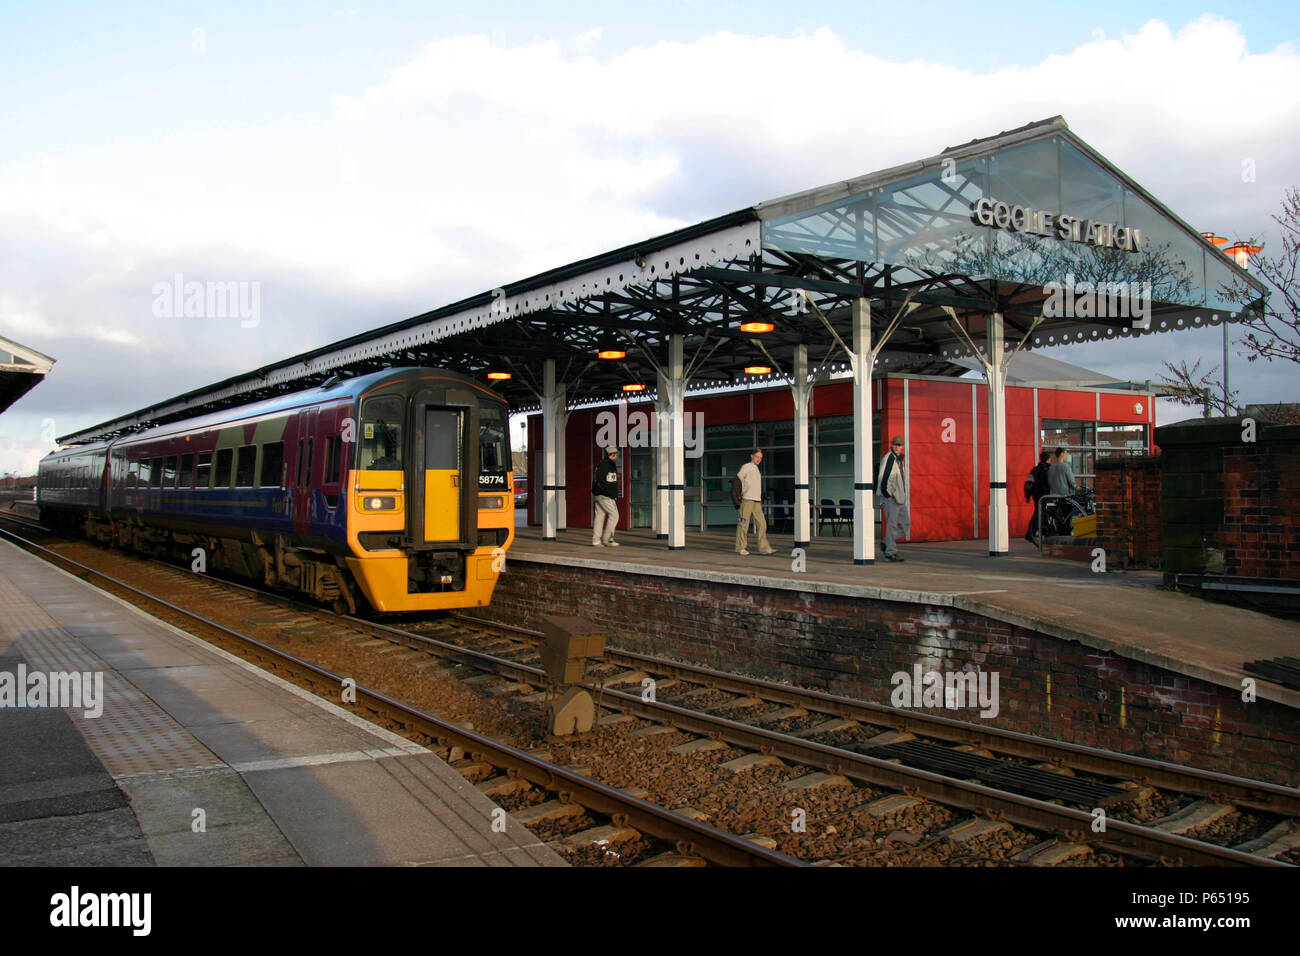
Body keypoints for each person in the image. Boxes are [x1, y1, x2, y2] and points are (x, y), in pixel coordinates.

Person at [735, 448, 775, 556]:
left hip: (757, 501)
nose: (759, 459)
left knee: (762, 524)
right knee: (744, 524)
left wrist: (762, 495)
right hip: (747, 500)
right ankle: (740, 547)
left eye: (760, 458)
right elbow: (737, 481)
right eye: (757, 457)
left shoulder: (757, 469)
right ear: (751, 456)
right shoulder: (746, 467)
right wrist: (737, 498)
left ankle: (763, 547)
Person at [876, 436, 909, 562]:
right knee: (891, 524)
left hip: (900, 498)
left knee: (905, 524)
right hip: (891, 498)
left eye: (899, 445)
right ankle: (890, 552)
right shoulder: (889, 458)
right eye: (895, 444)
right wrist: (887, 495)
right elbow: (883, 477)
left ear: (902, 447)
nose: (897, 446)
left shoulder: (899, 460)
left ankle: (887, 542)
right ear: (892, 445)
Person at [591, 446, 621, 547]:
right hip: (605, 495)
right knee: (614, 515)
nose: (617, 456)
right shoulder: (606, 465)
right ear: (612, 454)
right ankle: (607, 539)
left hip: (600, 494)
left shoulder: (604, 464)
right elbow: (600, 480)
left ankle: (596, 541)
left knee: (600, 516)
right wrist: (609, 493)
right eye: (616, 454)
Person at [1024, 451, 1051, 543]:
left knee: (1038, 512)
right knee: (1040, 513)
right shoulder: (1048, 469)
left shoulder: (1035, 469)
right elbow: (1050, 482)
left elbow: (1029, 483)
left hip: (1035, 494)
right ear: (1048, 459)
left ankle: (1032, 532)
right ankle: (1032, 532)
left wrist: (1027, 495)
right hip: (1044, 494)